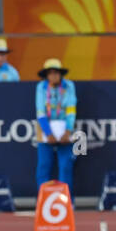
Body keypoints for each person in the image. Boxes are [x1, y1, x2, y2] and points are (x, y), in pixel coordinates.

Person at [35, 58, 77, 193]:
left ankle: (66, 201)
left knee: (65, 166)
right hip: (46, 129)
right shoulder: (41, 87)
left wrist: (68, 130)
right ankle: (43, 200)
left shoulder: (69, 86)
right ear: (46, 75)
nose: (54, 75)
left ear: (61, 74)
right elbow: (40, 112)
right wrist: (48, 132)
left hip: (65, 128)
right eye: (50, 73)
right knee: (44, 166)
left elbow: (71, 109)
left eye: (56, 72)